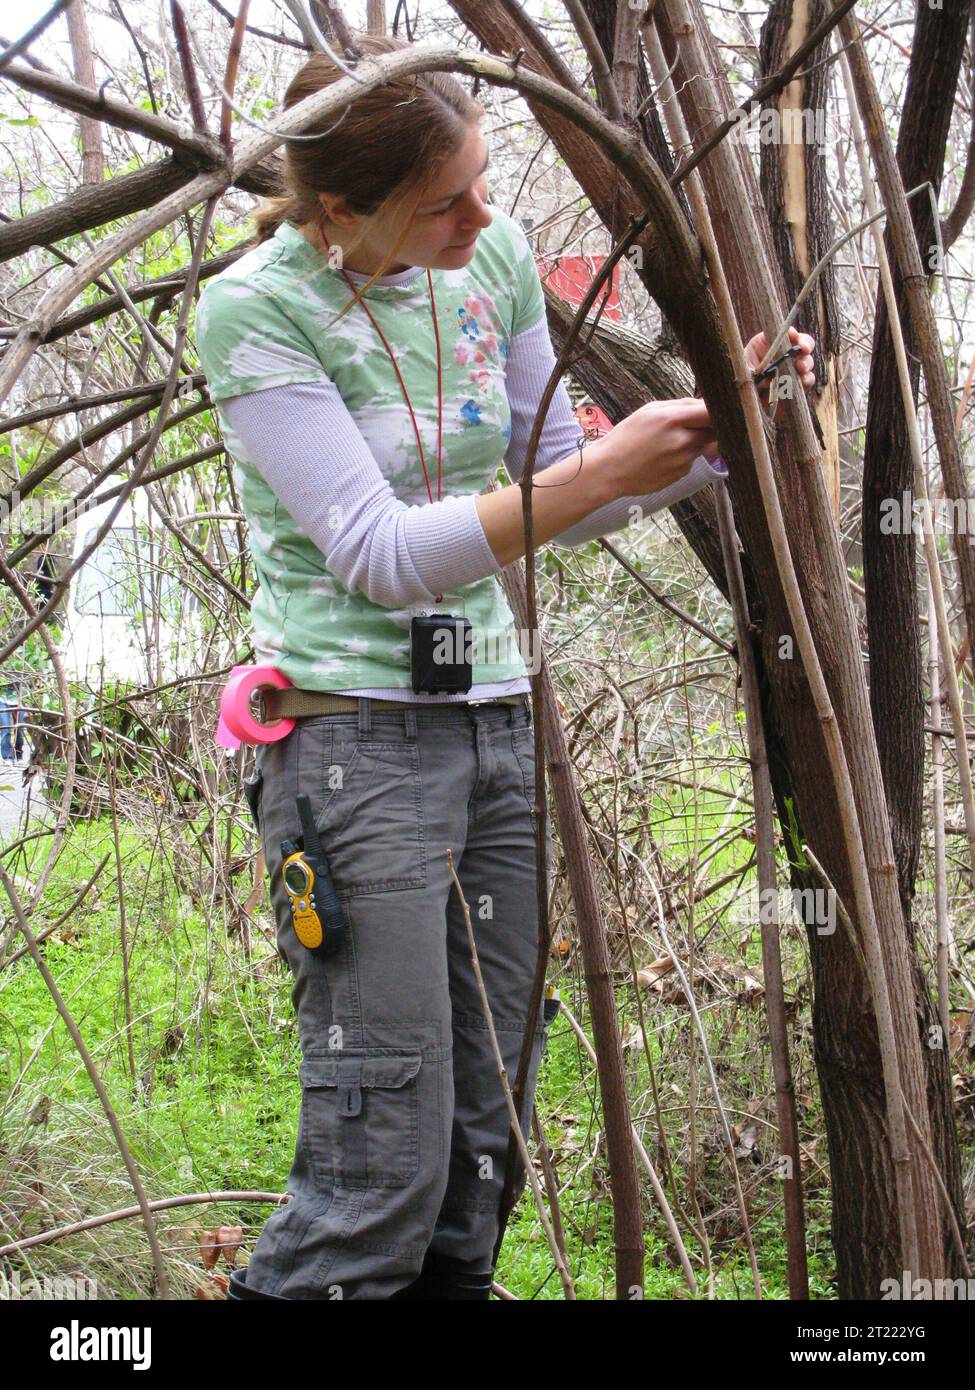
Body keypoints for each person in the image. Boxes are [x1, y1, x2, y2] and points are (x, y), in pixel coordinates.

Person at [195, 33, 816, 1301]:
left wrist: (703, 443)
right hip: (350, 748)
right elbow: (376, 552)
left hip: (491, 730)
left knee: (483, 1155)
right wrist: (596, 468)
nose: (488, 214)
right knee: (383, 1167)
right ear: (341, 209)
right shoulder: (256, 308)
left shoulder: (496, 264)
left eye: (486, 181)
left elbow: (558, 493)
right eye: (448, 201)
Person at [0, 672, 25, 763]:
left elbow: (29, 680)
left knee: (20, 727)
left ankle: (19, 754)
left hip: (19, 696)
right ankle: (7, 756)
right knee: (6, 727)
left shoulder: (22, 661)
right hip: (2, 696)